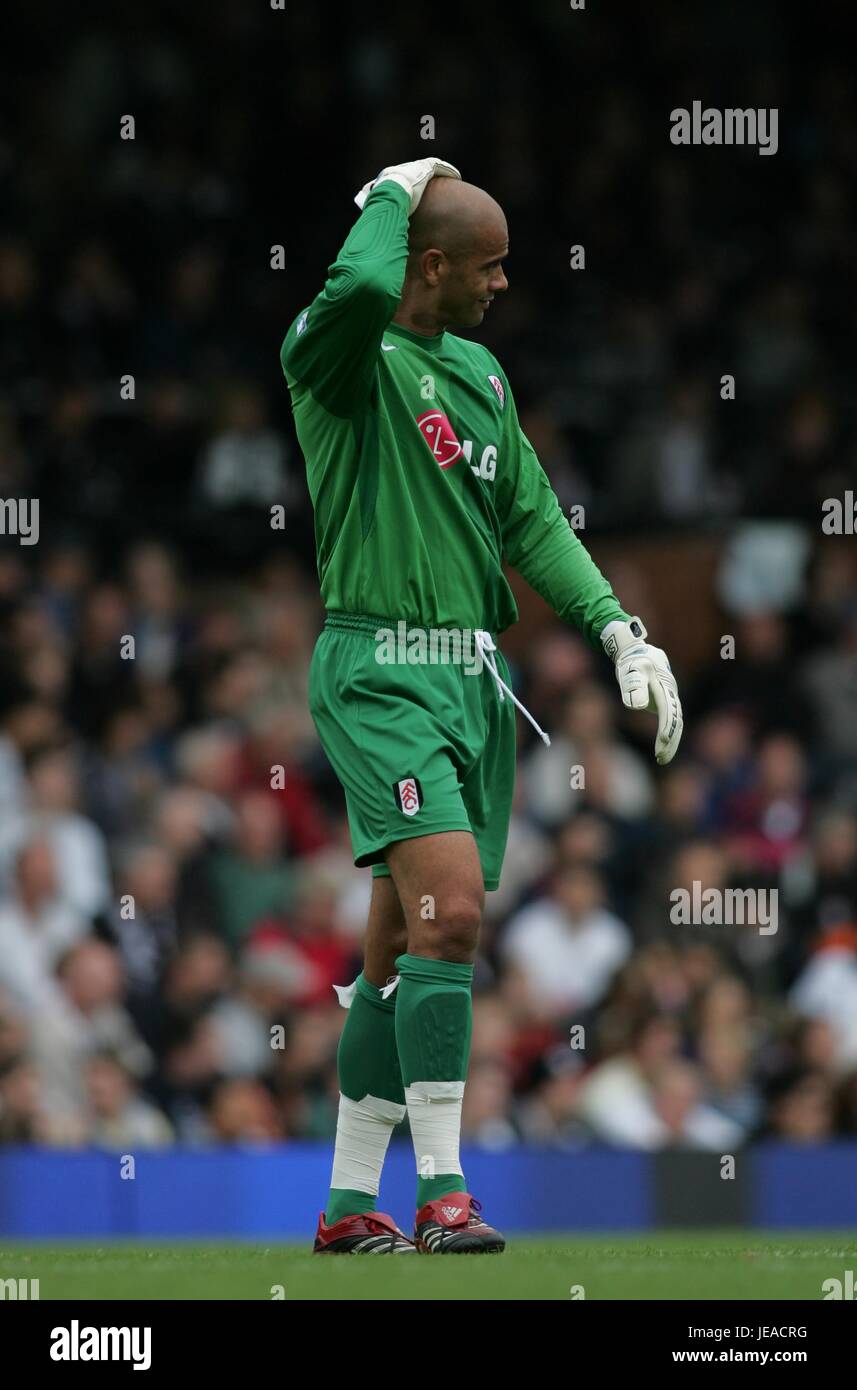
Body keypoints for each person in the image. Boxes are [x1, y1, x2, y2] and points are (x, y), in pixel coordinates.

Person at [280, 158, 683, 1254]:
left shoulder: (484, 377)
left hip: (470, 677)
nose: (504, 284)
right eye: (488, 266)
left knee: (394, 953)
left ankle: (346, 1207)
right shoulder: (340, 357)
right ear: (431, 265)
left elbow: (534, 522)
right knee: (453, 913)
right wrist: (387, 189)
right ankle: (443, 1192)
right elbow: (363, 286)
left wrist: (617, 630)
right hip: (379, 667)